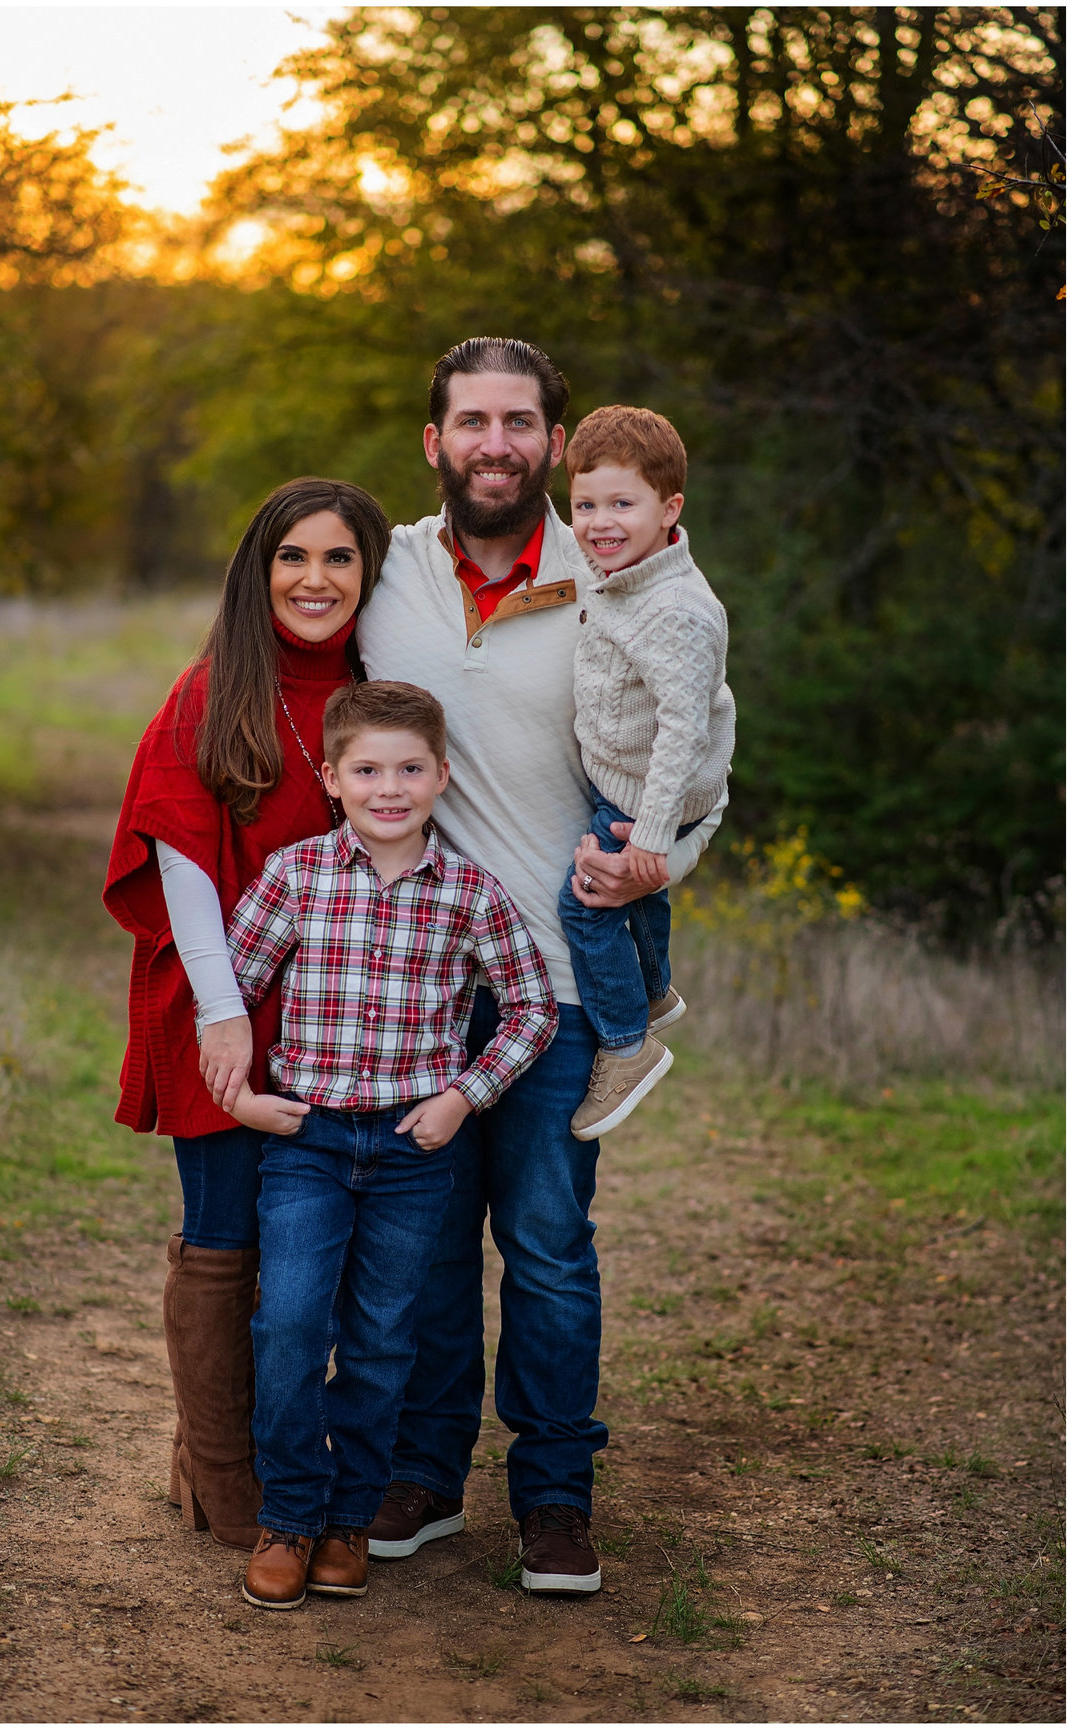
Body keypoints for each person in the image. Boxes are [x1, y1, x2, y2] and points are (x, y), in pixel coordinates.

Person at [355, 337, 727, 1594]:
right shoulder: (386, 572)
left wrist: (661, 861)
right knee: (428, 1244)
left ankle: (556, 1493)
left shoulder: (616, 571)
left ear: (556, 445)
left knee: (551, 1243)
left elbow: (705, 748)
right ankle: (422, 1468)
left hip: (557, 984)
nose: (496, 442)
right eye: (473, 420)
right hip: (415, 984)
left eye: (521, 420)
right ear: (436, 442)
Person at [216, 681, 557, 1610]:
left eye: (410, 769)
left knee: (379, 1339)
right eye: (367, 770)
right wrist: (244, 1101)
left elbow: (529, 1011)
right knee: (289, 1323)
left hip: (415, 1150)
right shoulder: (296, 877)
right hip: (309, 1143)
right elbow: (228, 991)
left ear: (443, 777)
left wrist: (464, 1095)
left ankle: (347, 1521)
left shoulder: (470, 895)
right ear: (331, 778)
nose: (389, 788)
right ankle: (289, 1513)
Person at [103, 477, 390, 1550]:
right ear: (257, 570)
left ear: (368, 577)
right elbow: (180, 858)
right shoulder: (217, 687)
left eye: (339, 559)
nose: (315, 579)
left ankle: (326, 1466)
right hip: (220, 989)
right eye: (292, 557)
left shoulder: (379, 689)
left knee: (322, 1247)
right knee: (226, 1235)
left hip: (349, 1011)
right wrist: (224, 1017)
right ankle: (223, 1474)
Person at [559, 405, 735, 1141]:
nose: (600, 522)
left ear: (670, 509)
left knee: (589, 904)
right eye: (585, 505)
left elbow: (682, 728)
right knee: (633, 906)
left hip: (654, 796)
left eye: (621, 504)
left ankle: (628, 1045)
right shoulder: (619, 572)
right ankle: (655, 988)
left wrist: (654, 837)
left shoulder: (676, 609)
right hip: (630, 786)